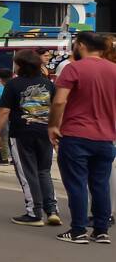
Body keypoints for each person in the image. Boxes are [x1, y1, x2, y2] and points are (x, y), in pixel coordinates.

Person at [49, 30, 116, 244]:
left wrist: (52, 125)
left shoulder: (73, 69)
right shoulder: (114, 70)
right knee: (101, 184)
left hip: (76, 135)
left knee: (77, 184)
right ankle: (101, 230)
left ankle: (78, 231)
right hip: (106, 138)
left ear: (81, 45)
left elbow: (60, 101)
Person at [0, 50, 59, 226]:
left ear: (21, 65)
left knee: (26, 172)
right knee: (44, 171)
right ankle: (52, 210)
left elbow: (4, 111)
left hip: (22, 133)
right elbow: (56, 107)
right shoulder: (47, 84)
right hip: (45, 131)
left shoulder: (13, 85)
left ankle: (34, 213)